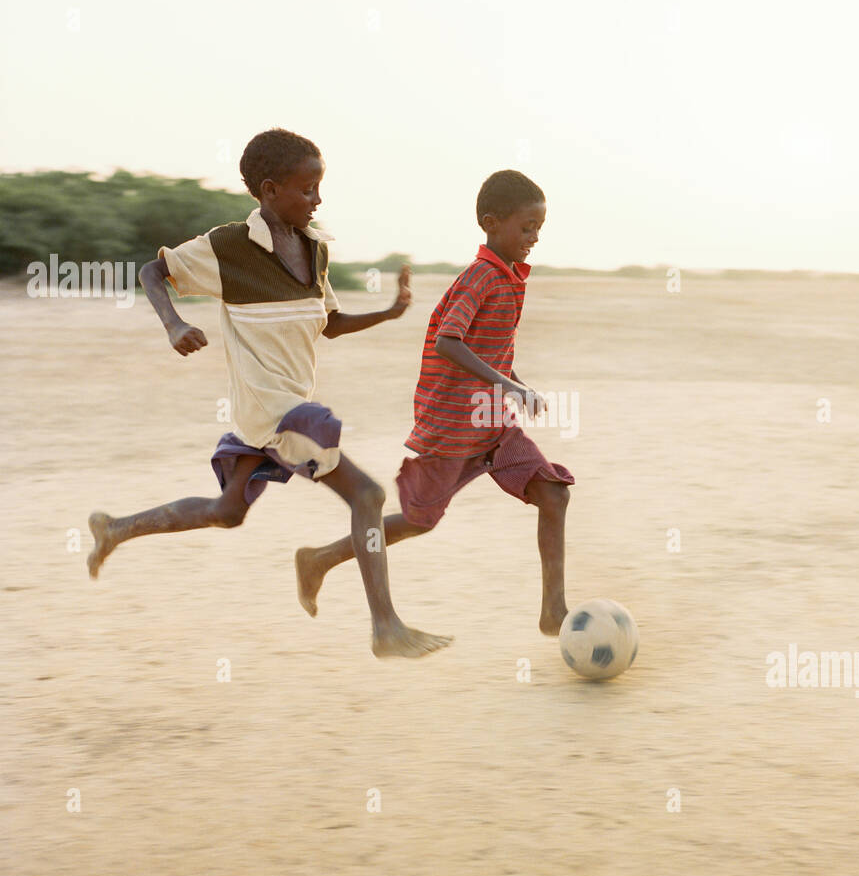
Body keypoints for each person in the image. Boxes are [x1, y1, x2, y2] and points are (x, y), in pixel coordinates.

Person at [86, 127, 451, 660]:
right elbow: (151, 270)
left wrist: (390, 312)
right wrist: (172, 324)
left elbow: (330, 324)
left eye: (320, 187)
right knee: (368, 496)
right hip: (273, 412)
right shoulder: (228, 246)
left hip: (281, 410)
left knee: (228, 510)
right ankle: (385, 626)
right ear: (269, 189)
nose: (318, 199)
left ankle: (116, 528)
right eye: (308, 189)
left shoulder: (316, 251)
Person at [295, 169, 574, 635]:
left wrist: (515, 382)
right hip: (452, 426)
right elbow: (449, 341)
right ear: (491, 222)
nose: (534, 238)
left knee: (554, 493)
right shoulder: (480, 276)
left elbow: (491, 348)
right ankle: (320, 559)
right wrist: (508, 386)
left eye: (539, 230)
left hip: (493, 424)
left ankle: (554, 611)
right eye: (526, 228)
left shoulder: (510, 277)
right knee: (417, 521)